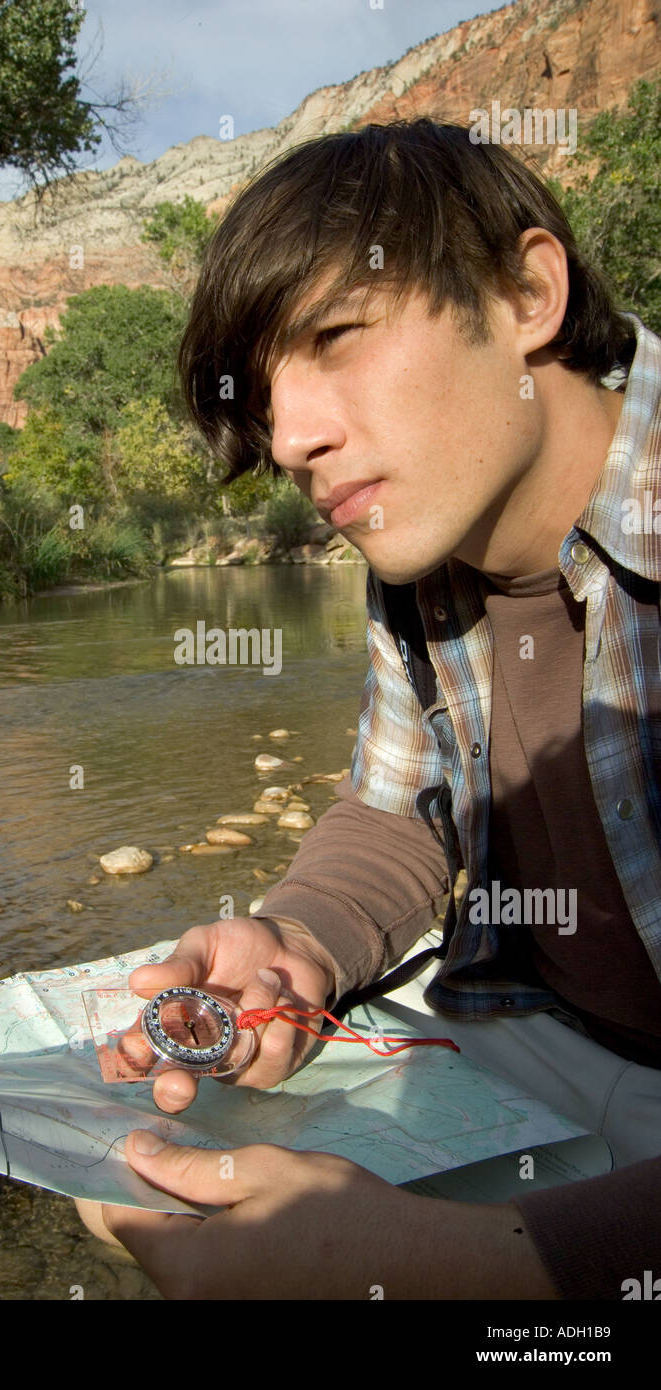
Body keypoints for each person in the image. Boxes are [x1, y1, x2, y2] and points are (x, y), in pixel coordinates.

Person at [75, 119, 661, 1299]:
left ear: (525, 293)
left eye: (335, 338)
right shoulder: (413, 561)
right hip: (520, 1034)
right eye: (268, 393)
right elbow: (394, 815)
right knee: (128, 1178)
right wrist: (292, 941)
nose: (292, 438)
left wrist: (462, 1269)